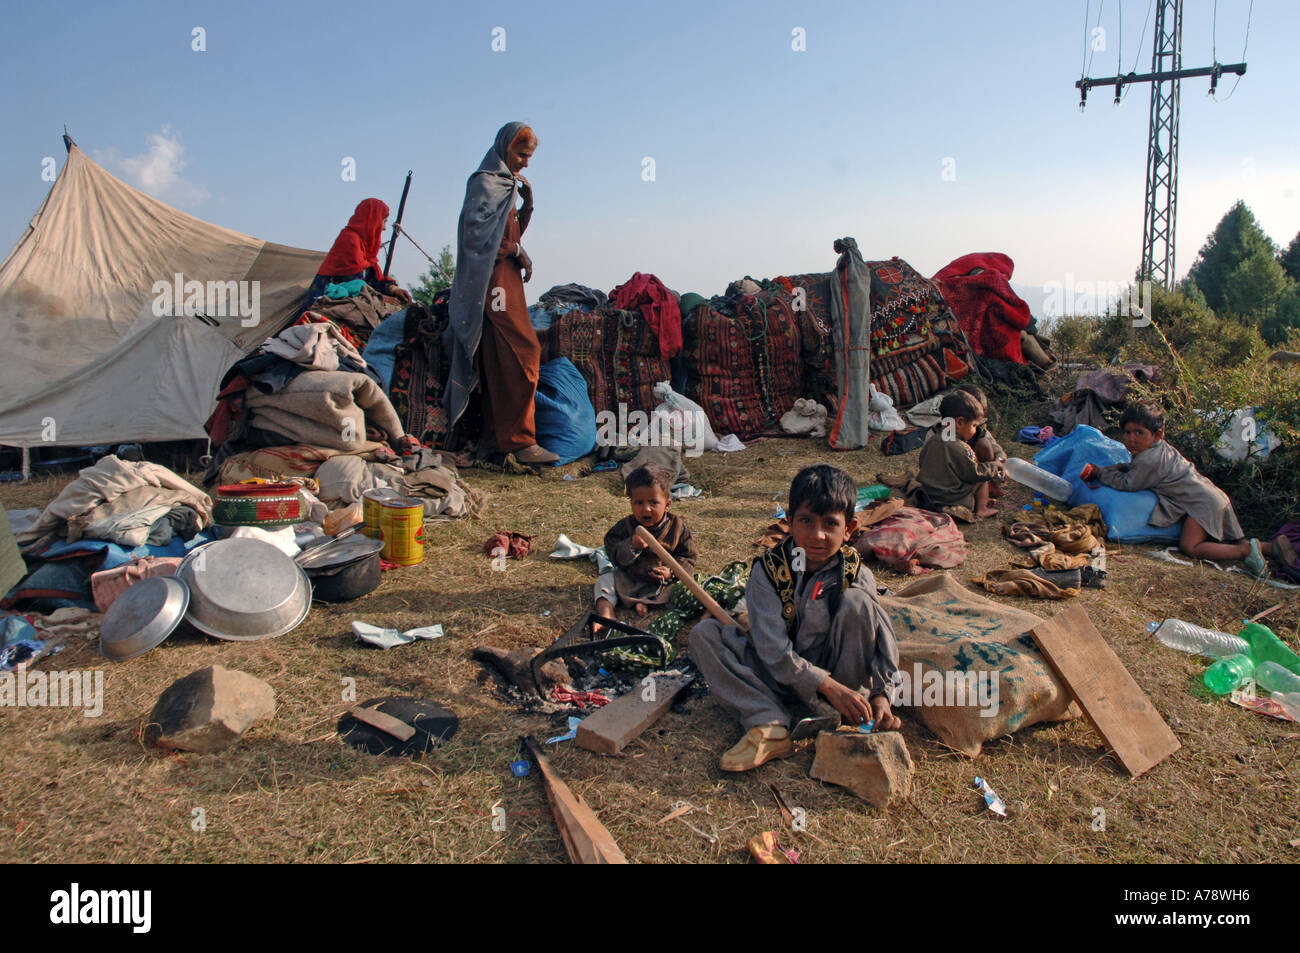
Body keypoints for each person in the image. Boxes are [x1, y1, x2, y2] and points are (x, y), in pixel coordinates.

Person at [689, 465, 901, 773]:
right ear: (789, 522)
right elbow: (773, 650)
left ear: (850, 528)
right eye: (806, 521)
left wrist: (882, 697)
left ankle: (845, 710)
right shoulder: (767, 572)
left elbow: (884, 642)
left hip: (844, 683)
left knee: (858, 603)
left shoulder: (857, 573)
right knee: (704, 634)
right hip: (780, 677)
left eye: (830, 524)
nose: (817, 535)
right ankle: (768, 722)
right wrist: (823, 684)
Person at [444, 122, 558, 466]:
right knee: (525, 352)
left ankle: (497, 441)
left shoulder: (506, 185)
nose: (524, 163)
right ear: (504, 148)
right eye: (520, 154)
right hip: (490, 284)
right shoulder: (484, 183)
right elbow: (475, 238)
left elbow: (510, 233)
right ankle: (520, 441)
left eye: (528, 156)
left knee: (498, 360)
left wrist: (527, 206)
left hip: (506, 281)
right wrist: (515, 251)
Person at [1082, 401, 1272, 576]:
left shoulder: (1149, 459)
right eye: (1127, 432)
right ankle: (1271, 548)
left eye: (1139, 433)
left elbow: (1128, 484)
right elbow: (1142, 469)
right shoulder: (1159, 449)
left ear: (1157, 434)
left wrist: (1100, 473)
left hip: (1201, 503)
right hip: (1211, 495)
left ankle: (1244, 551)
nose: (1131, 439)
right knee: (1226, 539)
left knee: (1190, 547)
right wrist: (1124, 466)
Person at [596, 465, 697, 620]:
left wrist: (671, 572)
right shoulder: (626, 526)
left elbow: (688, 557)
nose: (646, 509)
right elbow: (612, 549)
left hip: (661, 584)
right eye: (639, 503)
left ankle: (644, 602)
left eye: (653, 502)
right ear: (631, 503)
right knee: (605, 580)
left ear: (667, 504)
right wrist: (631, 546)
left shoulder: (677, 527)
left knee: (688, 589)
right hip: (631, 579)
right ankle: (606, 613)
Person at [905, 389, 1006, 520]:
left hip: (929, 495)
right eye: (974, 425)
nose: (975, 430)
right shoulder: (960, 448)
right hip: (953, 499)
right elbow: (975, 473)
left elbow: (923, 462)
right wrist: (994, 466)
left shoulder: (933, 439)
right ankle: (982, 509)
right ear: (960, 422)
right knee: (983, 477)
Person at [306, 198, 412, 306]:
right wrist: (378, 297)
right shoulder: (350, 240)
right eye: (384, 221)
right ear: (372, 219)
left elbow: (371, 280)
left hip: (353, 302)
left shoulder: (366, 249)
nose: (384, 228)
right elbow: (352, 285)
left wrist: (393, 290)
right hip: (329, 302)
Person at [957, 383, 1007, 499]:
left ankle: (986, 485)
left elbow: (996, 449)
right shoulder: (943, 433)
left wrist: (999, 462)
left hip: (974, 470)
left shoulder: (978, 429)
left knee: (984, 443)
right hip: (956, 475)